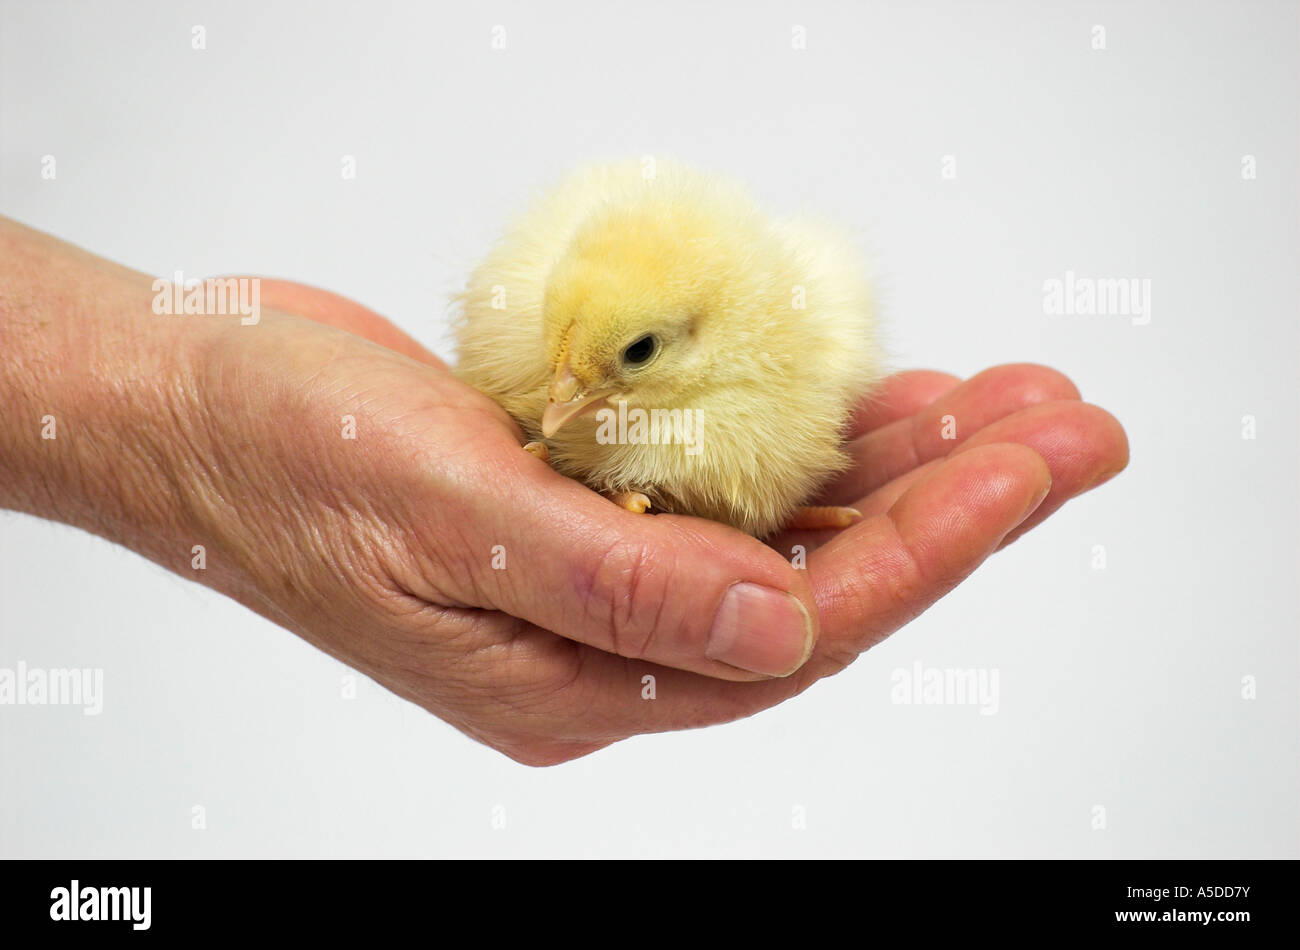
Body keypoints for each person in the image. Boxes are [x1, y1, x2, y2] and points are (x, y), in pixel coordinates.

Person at [0, 218, 1128, 765]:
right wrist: (180, 402)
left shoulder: (785, 338)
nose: (550, 405)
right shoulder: (573, 335)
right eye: (555, 364)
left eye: (618, 362)